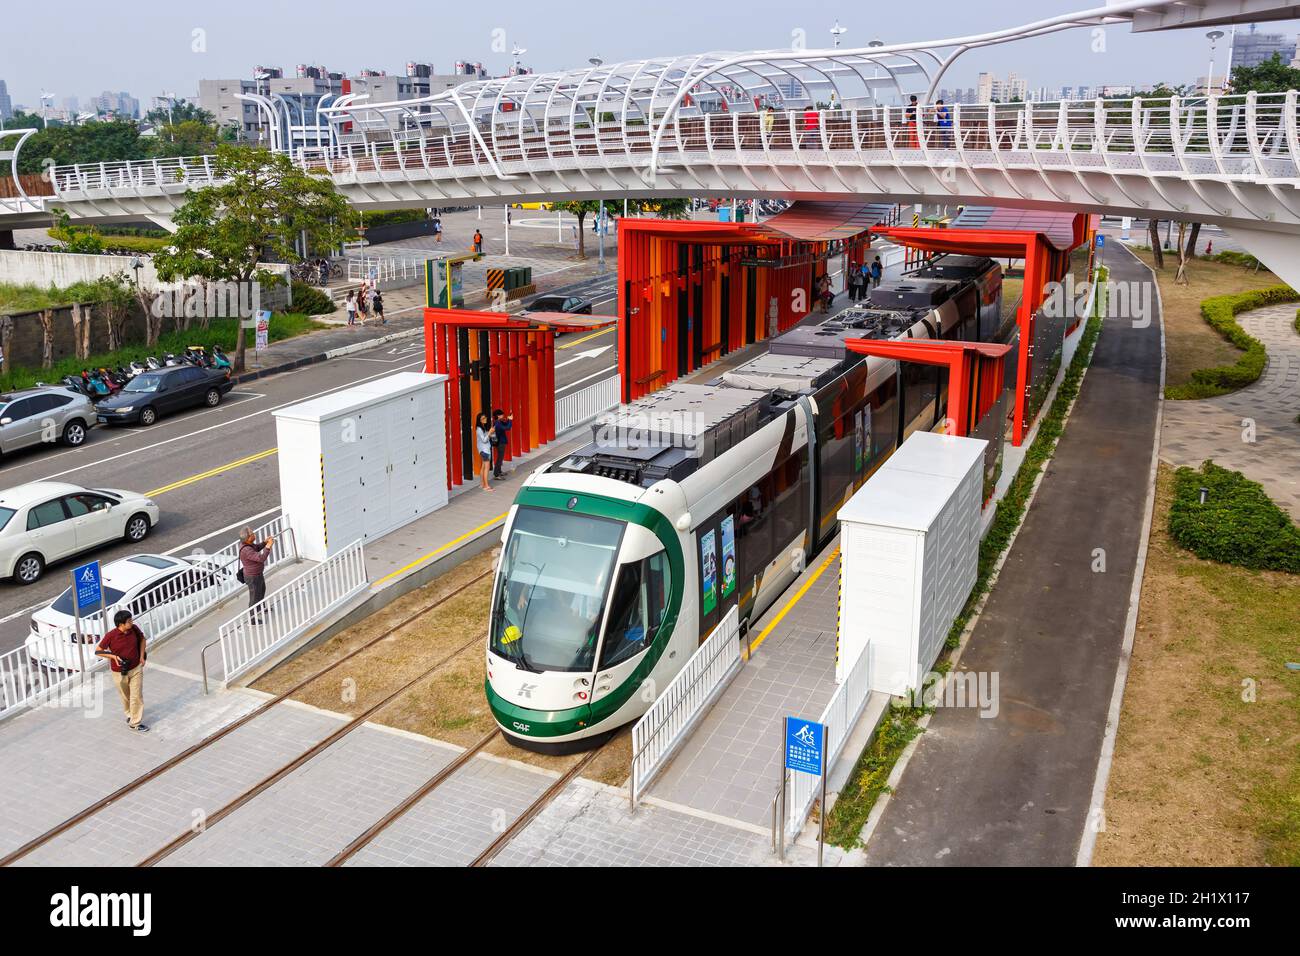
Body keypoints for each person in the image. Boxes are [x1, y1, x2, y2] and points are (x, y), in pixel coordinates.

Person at [95, 610, 148, 732]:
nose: (132, 622)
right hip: (119, 672)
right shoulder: (111, 636)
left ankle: (135, 723)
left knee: (136, 696)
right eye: (129, 621)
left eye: (131, 620)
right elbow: (98, 651)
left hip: (136, 668)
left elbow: (143, 640)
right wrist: (113, 657)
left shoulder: (134, 629)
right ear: (121, 624)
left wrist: (141, 656)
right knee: (125, 696)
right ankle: (130, 713)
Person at [239, 527, 275, 625]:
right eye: (252, 534)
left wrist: (264, 542)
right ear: (248, 537)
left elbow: (257, 548)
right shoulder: (246, 549)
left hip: (258, 574)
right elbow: (261, 558)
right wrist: (268, 547)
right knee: (254, 597)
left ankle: (260, 608)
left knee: (261, 591)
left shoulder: (249, 545)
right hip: (252, 577)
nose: (254, 534)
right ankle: (252, 619)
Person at [492, 408, 513, 479]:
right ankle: (496, 474)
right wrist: (510, 420)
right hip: (500, 443)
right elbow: (507, 428)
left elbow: (505, 424)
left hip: (501, 442)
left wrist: (508, 419)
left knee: (500, 458)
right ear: (498, 416)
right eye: (501, 414)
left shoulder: (498, 421)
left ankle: (499, 471)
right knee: (500, 458)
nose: (503, 415)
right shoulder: (497, 423)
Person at [475, 412, 494, 491]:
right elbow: (484, 440)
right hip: (484, 450)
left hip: (484, 450)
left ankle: (482, 484)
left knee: (483, 467)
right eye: (483, 418)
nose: (485, 419)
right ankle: (486, 486)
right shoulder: (479, 429)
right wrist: (489, 432)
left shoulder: (482, 427)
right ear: (479, 420)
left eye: (485, 417)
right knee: (486, 468)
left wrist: (490, 433)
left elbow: (486, 438)